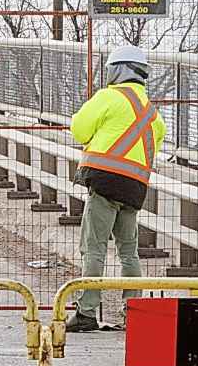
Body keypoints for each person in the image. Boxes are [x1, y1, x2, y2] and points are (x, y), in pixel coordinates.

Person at [65, 44, 166, 333]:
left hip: (105, 183)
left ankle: (86, 312)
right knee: (129, 252)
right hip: (134, 189)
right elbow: (152, 150)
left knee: (93, 247)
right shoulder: (153, 115)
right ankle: (134, 312)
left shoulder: (108, 97)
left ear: (118, 70)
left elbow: (79, 129)